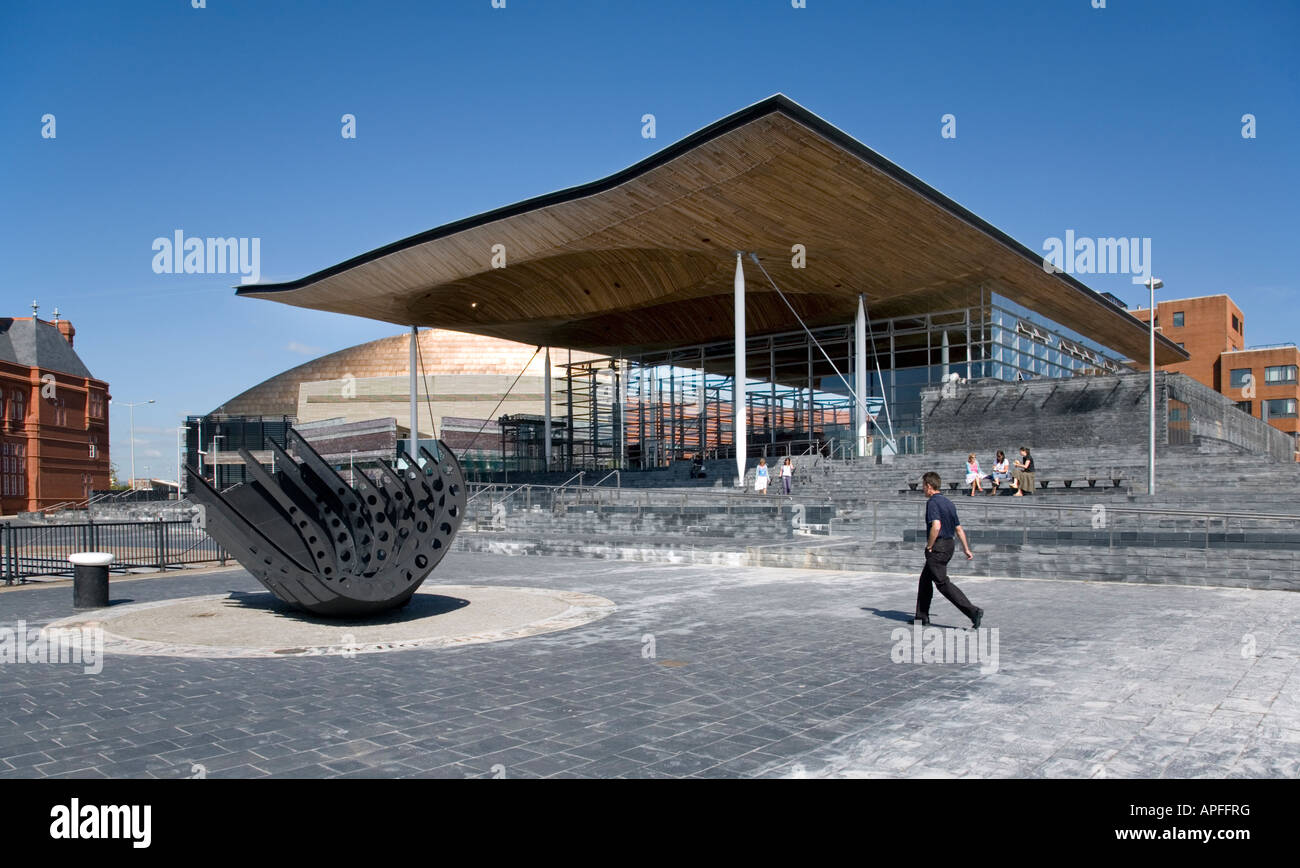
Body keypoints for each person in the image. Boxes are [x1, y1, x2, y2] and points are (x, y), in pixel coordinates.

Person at [914, 471, 983, 628]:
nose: (922, 489)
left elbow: (936, 526)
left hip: (938, 547)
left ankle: (973, 611)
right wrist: (966, 549)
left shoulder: (932, 502)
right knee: (925, 580)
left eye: (923, 486)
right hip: (949, 545)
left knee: (942, 583)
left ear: (929, 486)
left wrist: (929, 546)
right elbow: (958, 529)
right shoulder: (948, 503)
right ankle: (921, 617)